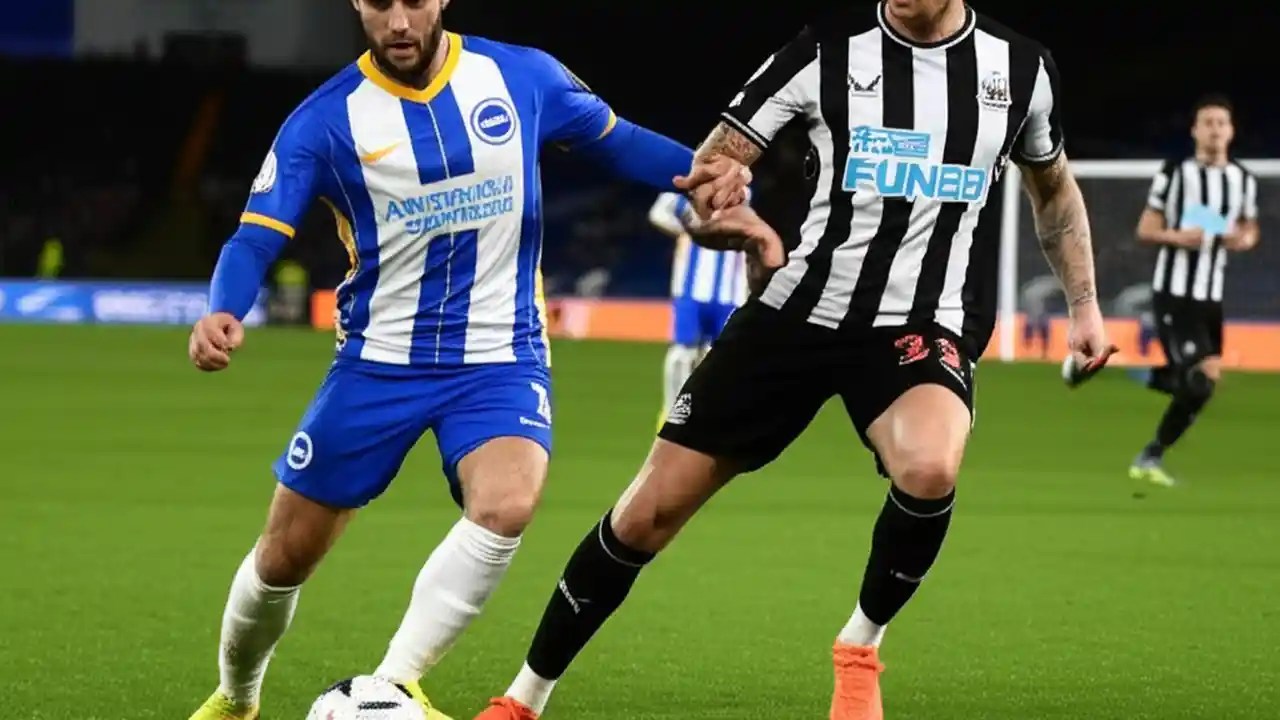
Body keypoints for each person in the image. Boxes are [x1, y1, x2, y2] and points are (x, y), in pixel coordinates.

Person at [473, 2, 1117, 719]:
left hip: (920, 322)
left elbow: (1053, 190)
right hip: (794, 314)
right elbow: (711, 169)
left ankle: (859, 648)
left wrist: (1085, 306)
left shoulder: (1020, 69)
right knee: (643, 516)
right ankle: (523, 698)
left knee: (931, 466)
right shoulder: (825, 51)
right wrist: (732, 220)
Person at [184, 1, 753, 719]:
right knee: (284, 557)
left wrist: (701, 172)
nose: (398, 21)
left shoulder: (521, 77)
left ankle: (391, 684)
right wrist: (223, 307)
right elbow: (255, 236)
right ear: (357, 5)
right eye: (380, 3)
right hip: (376, 363)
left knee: (508, 501)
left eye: (413, 1)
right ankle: (236, 698)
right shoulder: (325, 122)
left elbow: (621, 142)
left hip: (499, 354)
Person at [1064, 94, 1259, 486]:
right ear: (1194, 130)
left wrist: (1243, 240)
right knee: (1200, 382)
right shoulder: (1175, 174)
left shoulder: (1242, 180)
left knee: (1196, 382)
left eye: (1222, 123)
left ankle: (1106, 368)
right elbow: (1145, 229)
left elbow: (1249, 229)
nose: (1215, 130)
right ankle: (1150, 457)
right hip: (1175, 292)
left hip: (1210, 294)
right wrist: (1178, 236)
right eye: (1208, 123)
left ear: (1232, 131)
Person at [647, 191, 749, 428]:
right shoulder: (687, 195)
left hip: (728, 294)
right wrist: (684, 230)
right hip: (690, 291)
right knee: (683, 351)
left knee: (718, 357)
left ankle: (710, 411)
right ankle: (673, 412)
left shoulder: (742, 194)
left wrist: (745, 292)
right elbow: (658, 211)